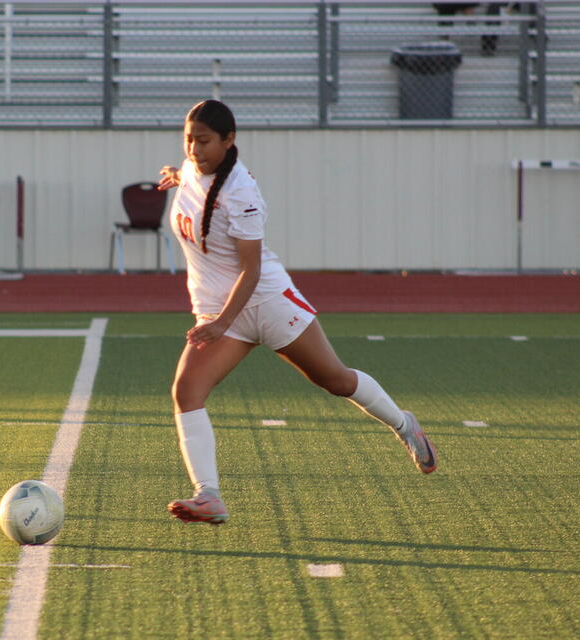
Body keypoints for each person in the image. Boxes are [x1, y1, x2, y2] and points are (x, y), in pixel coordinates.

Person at [157, 100, 438, 526]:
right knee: (186, 393)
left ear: (230, 140)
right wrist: (179, 176)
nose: (194, 148)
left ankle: (404, 425)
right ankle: (209, 496)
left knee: (336, 380)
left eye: (204, 141)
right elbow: (195, 181)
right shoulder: (194, 165)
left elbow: (251, 272)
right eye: (189, 139)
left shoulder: (242, 193)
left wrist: (220, 325)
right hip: (220, 314)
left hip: (266, 303)